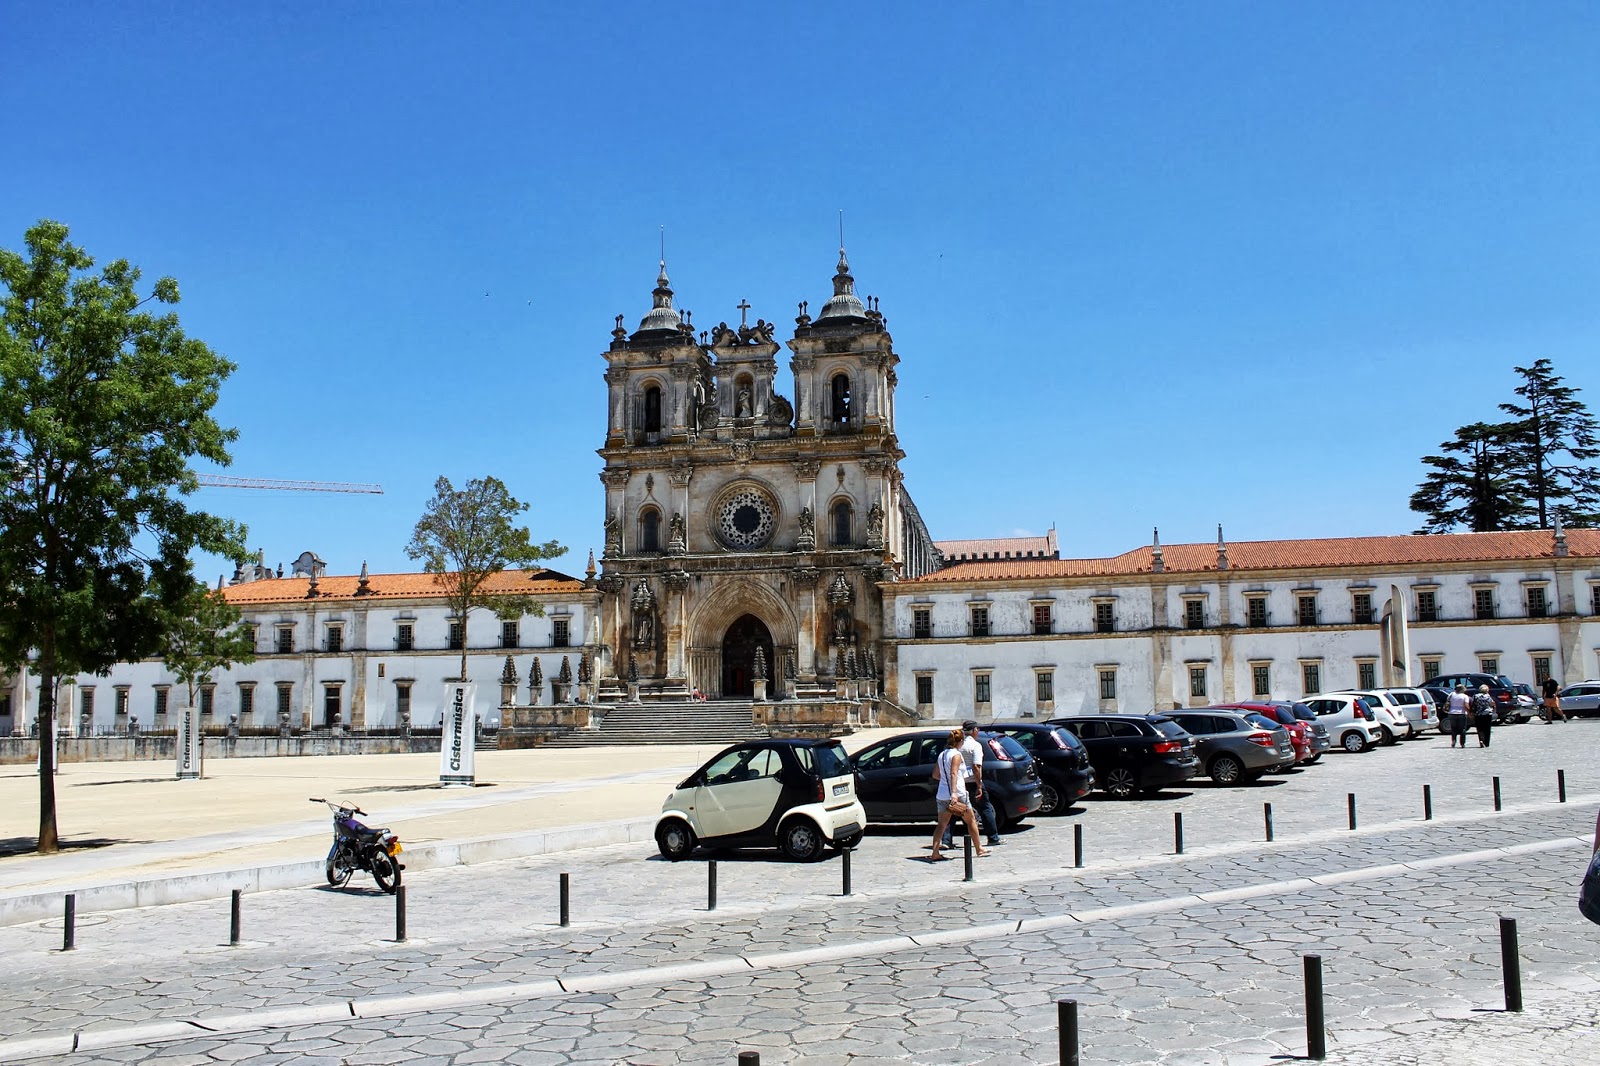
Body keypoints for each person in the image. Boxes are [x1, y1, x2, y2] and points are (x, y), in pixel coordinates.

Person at [943, 719, 1003, 849]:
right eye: (978, 729)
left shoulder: (957, 746)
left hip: (958, 783)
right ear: (975, 730)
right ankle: (993, 837)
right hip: (972, 782)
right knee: (985, 809)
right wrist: (979, 785)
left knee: (952, 811)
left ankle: (946, 840)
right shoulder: (975, 746)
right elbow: (976, 766)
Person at [930, 729, 987, 861]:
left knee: (942, 824)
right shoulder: (956, 755)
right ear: (960, 741)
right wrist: (954, 792)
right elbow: (954, 773)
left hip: (942, 794)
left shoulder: (942, 755)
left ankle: (935, 852)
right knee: (971, 820)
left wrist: (945, 783)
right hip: (958, 793)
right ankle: (979, 848)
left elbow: (935, 775)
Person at [1446, 684, 1471, 748]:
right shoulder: (1465, 696)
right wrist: (1469, 712)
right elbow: (1466, 705)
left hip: (1452, 712)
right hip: (1461, 713)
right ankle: (1462, 743)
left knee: (1453, 728)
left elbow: (1448, 702)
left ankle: (1453, 740)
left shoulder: (1451, 694)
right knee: (1462, 729)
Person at [1472, 684, 1496, 748]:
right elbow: (1492, 704)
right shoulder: (1488, 696)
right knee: (1487, 729)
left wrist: (1473, 712)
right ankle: (1487, 743)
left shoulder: (1476, 696)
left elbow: (1473, 705)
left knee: (1480, 728)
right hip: (1487, 714)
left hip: (1478, 714)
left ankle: (1481, 740)